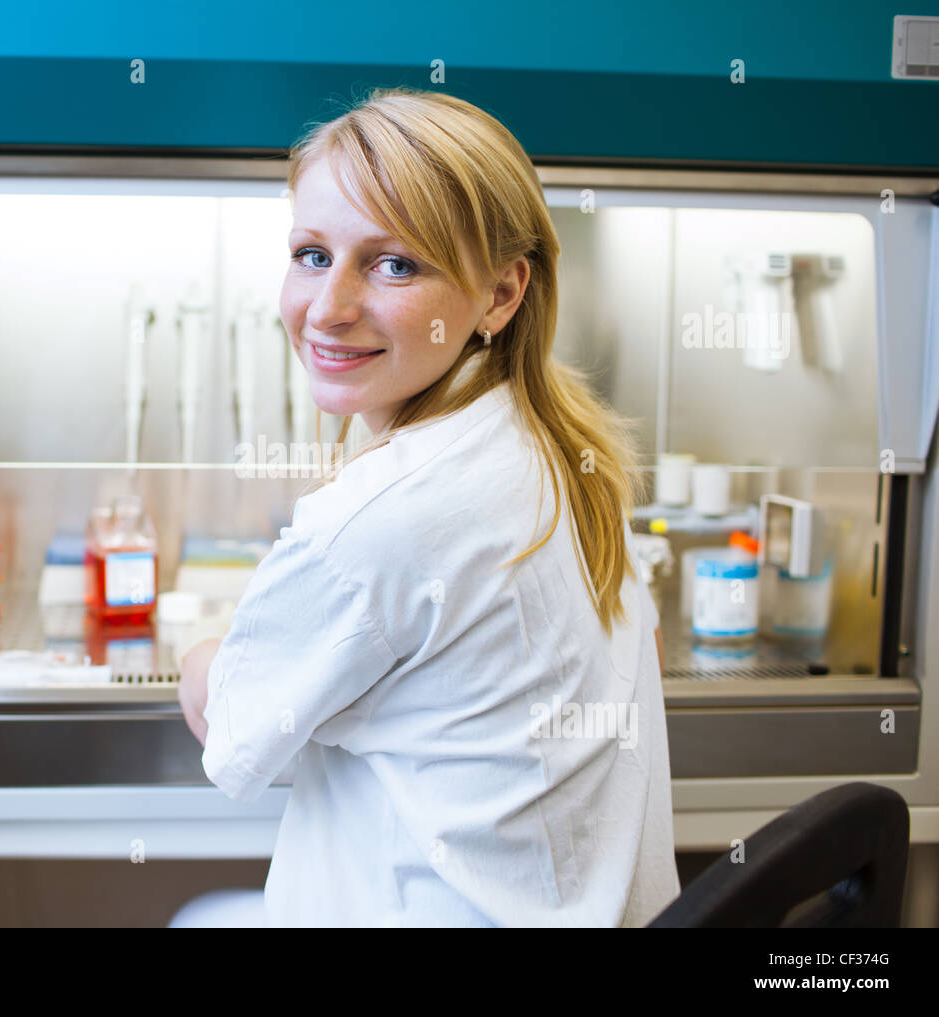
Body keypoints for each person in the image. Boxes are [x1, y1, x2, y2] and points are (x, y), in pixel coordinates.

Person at [172, 86, 678, 927]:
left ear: (499, 295)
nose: (328, 309)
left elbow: (232, 724)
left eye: (394, 264)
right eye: (311, 254)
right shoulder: (558, 449)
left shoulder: (381, 518)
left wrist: (201, 651)